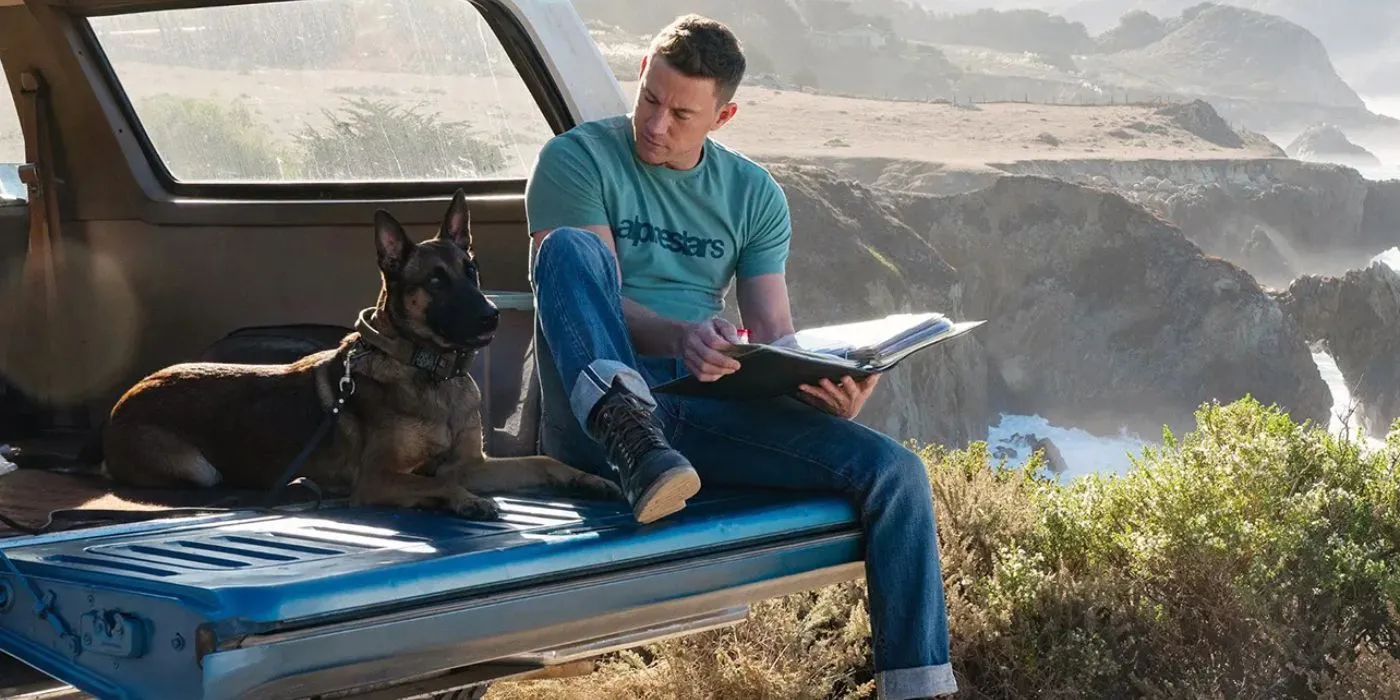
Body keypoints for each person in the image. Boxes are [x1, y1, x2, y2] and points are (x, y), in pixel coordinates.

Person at [523, 14, 957, 699]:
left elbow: (774, 333)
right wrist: (681, 334)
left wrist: (829, 383)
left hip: (695, 407)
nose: (657, 124)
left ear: (723, 115)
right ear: (641, 75)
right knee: (567, 251)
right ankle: (633, 440)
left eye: (682, 113)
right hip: (595, 405)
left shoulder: (753, 195)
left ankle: (921, 689)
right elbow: (590, 303)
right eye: (651, 99)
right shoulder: (577, 158)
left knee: (896, 473)